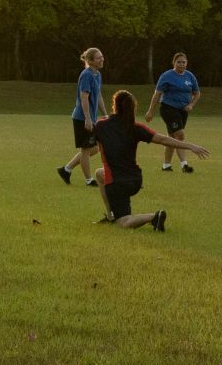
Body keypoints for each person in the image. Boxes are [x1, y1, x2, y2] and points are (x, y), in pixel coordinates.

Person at [93, 90, 208, 231]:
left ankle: (154, 216)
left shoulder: (100, 126)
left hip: (118, 183)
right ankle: (111, 215)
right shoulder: (135, 127)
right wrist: (190, 146)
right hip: (135, 180)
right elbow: (163, 139)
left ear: (114, 106)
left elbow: (100, 150)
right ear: (132, 108)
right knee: (99, 174)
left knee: (123, 222)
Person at [57, 48, 107, 202]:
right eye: (98, 58)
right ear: (90, 61)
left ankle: (66, 169)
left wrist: (104, 113)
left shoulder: (97, 75)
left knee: (95, 148)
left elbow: (97, 95)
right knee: (86, 149)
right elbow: (84, 97)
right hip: (81, 118)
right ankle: (89, 179)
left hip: (91, 118)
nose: (102, 59)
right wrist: (87, 119)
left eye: (102, 57)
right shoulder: (86, 75)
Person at [144, 52, 202, 173]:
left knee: (172, 137)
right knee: (180, 135)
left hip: (183, 111)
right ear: (174, 63)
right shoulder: (166, 76)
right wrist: (150, 111)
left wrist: (191, 104)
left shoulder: (190, 76)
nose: (181, 64)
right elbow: (157, 93)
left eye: (183, 62)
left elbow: (197, 93)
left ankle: (166, 165)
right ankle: (184, 165)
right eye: (179, 62)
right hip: (168, 108)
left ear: (187, 63)